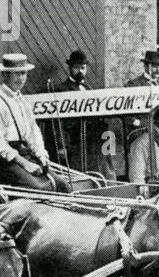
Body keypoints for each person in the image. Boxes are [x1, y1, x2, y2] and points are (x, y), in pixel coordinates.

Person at [0, 53, 69, 192]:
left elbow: (33, 132)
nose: (21, 78)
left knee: (62, 185)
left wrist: (41, 155)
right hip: (4, 162)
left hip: (25, 154)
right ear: (5, 75)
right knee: (39, 189)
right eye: (16, 74)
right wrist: (25, 163)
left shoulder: (22, 102)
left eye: (24, 73)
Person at [46, 48, 115, 180]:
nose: (80, 71)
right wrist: (62, 145)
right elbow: (57, 122)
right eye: (77, 68)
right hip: (73, 140)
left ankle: (105, 181)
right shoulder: (61, 90)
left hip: (91, 140)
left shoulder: (89, 89)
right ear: (70, 68)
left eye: (83, 68)